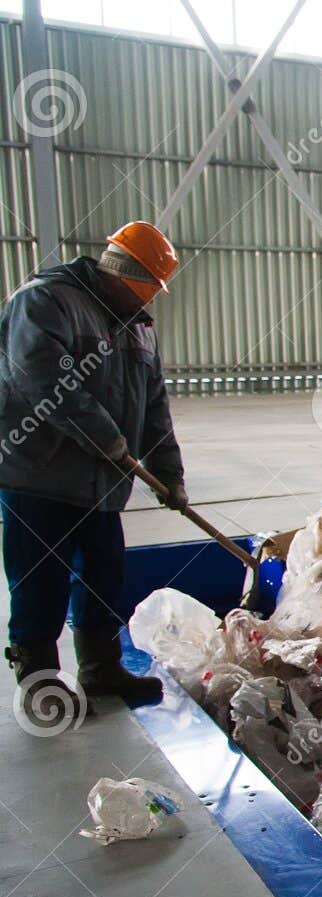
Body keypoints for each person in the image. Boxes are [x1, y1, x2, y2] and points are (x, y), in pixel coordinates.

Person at [1, 221, 186, 720]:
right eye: (150, 285)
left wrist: (170, 474)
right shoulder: (46, 302)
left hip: (103, 485)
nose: (152, 297)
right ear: (127, 273)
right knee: (39, 584)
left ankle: (101, 669)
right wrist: (107, 439)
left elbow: (155, 406)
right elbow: (44, 381)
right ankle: (40, 684)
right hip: (38, 476)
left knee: (104, 576)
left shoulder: (138, 325)